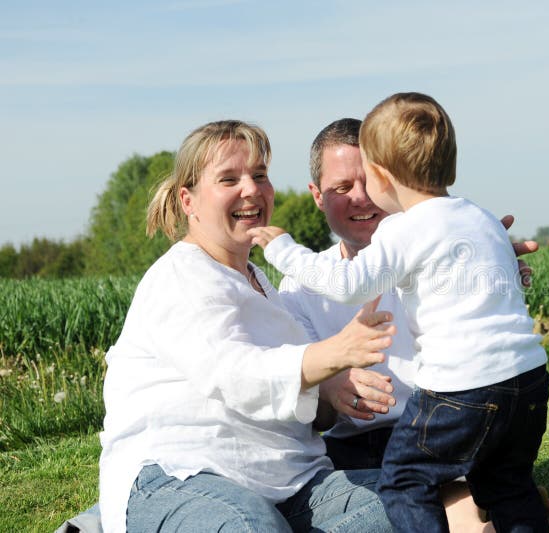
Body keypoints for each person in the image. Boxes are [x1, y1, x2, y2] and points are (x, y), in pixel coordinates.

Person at [249, 93, 549, 531]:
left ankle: (471, 513)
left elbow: (350, 284)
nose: (360, 197)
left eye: (365, 179)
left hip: (453, 407)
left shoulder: (403, 233)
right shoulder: (476, 217)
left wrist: (282, 248)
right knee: (506, 485)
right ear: (317, 195)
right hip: (522, 383)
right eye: (340, 188)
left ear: (382, 176)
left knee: (411, 488)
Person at [97, 120, 398, 533]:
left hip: (289, 482)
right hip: (182, 472)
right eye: (228, 179)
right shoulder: (182, 277)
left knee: (413, 502)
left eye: (259, 175)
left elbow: (285, 392)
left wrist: (329, 389)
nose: (251, 189)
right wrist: (333, 354)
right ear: (189, 200)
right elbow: (234, 373)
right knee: (251, 526)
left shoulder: (262, 285)